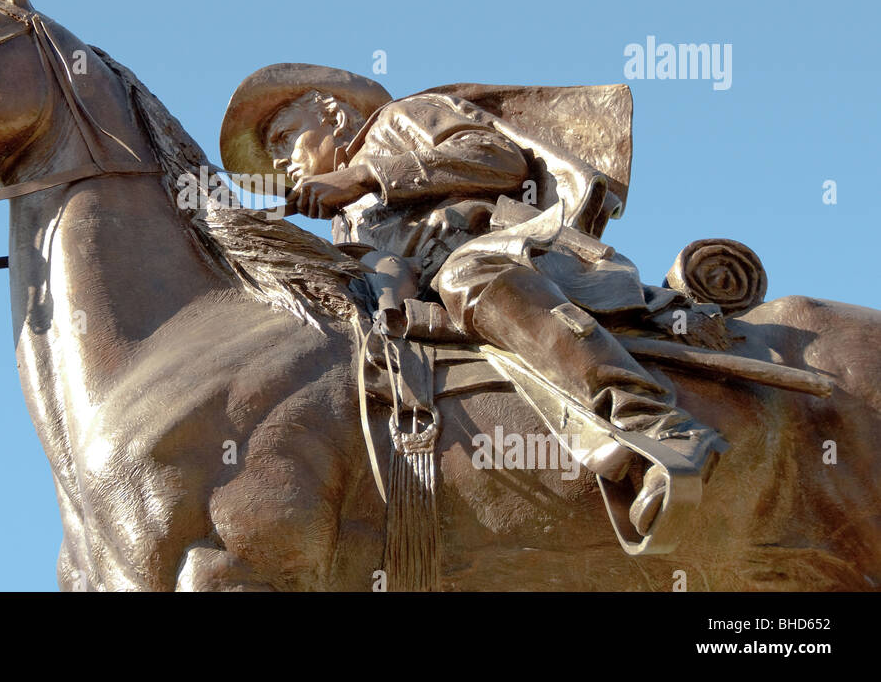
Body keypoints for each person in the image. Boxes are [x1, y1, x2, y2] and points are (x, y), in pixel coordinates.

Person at [219, 63, 727, 539]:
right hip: (436, 311)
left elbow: (500, 160)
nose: (282, 161)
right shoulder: (343, 220)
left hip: (511, 263)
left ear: (330, 111)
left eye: (286, 137)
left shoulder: (397, 122)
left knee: (468, 275)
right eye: (274, 157)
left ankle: (655, 422)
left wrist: (368, 176)